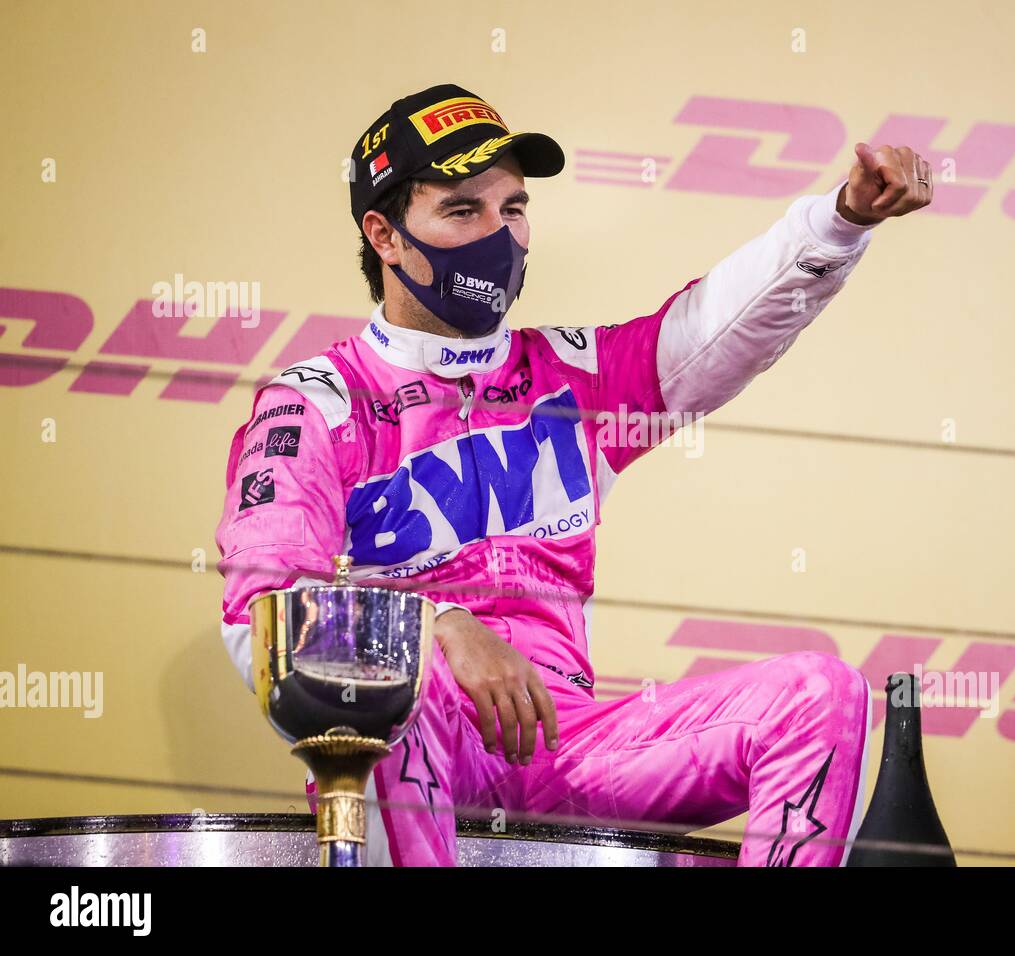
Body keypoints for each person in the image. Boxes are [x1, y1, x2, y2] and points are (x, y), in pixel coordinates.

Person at [215, 83, 931, 866]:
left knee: (820, 694)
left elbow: (719, 323)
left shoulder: (574, 376)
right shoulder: (314, 403)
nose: (500, 235)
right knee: (391, 689)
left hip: (566, 746)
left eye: (513, 209)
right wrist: (438, 630)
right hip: (414, 750)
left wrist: (842, 220)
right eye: (463, 211)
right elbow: (262, 614)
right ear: (384, 235)